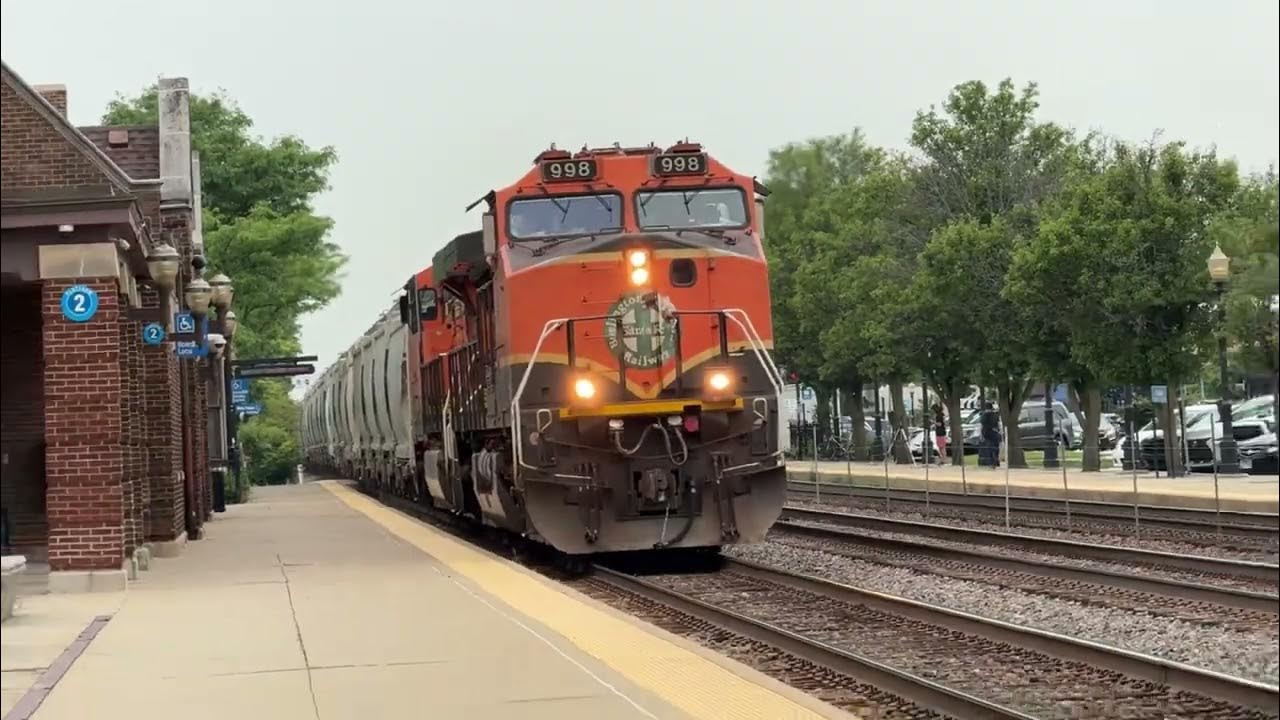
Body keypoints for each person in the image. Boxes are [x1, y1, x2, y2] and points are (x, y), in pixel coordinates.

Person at [979, 401, 1001, 467]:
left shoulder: (983, 415)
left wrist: (981, 435)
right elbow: (999, 425)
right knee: (996, 447)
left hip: (986, 433)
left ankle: (991, 461)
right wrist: (999, 431)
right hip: (994, 432)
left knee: (989, 447)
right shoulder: (995, 415)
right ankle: (996, 460)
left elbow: (981, 426)